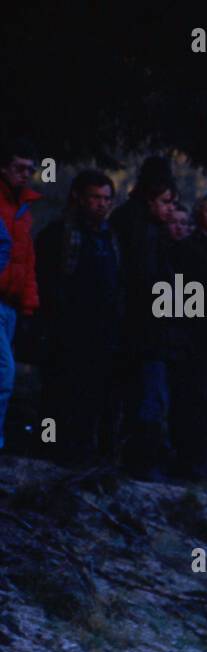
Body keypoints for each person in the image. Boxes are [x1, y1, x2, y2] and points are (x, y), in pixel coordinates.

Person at [34, 171, 125, 464]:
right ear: (79, 198)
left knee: (90, 396)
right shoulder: (59, 234)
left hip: (101, 332)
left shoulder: (111, 238)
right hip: (65, 328)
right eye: (95, 198)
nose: (101, 204)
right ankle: (47, 449)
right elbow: (46, 282)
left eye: (106, 199)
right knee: (57, 393)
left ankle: (78, 453)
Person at [110, 157, 176, 480]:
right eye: (164, 201)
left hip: (144, 327)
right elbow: (141, 280)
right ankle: (139, 463)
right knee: (144, 397)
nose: (169, 209)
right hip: (139, 328)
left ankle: (135, 460)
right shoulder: (137, 227)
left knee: (142, 396)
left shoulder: (148, 226)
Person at [168, 191, 207, 480]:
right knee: (187, 398)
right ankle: (184, 460)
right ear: (200, 214)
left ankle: (199, 459)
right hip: (191, 335)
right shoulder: (186, 248)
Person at [0, 138, 41, 451]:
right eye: (19, 168)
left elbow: (26, 259)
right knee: (5, 374)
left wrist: (28, 304)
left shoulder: (23, 209)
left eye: (30, 169)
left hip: (10, 305)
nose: (26, 174)